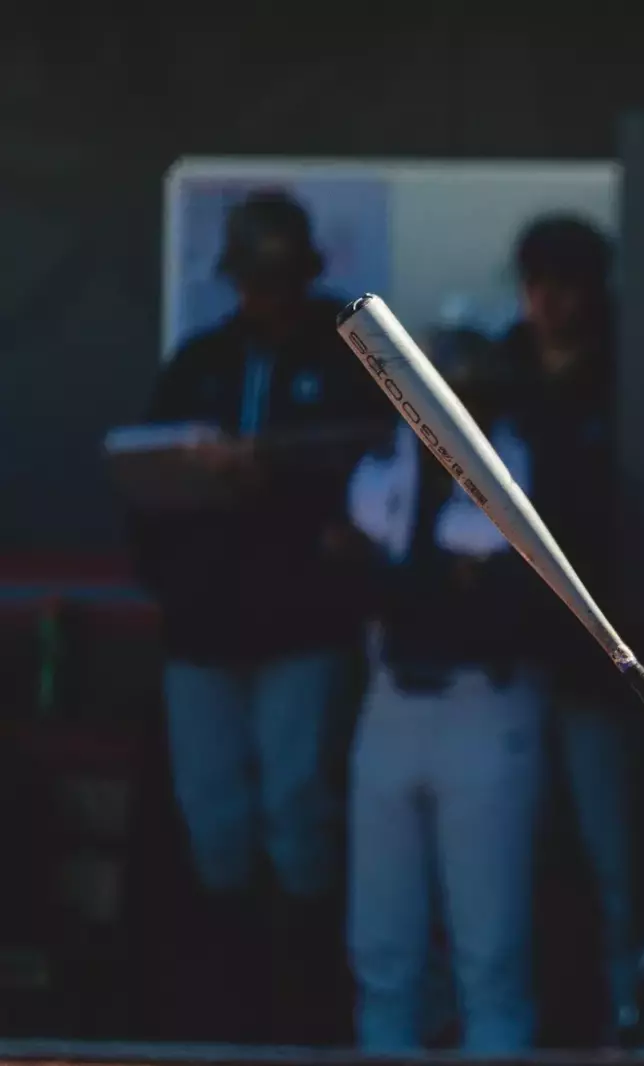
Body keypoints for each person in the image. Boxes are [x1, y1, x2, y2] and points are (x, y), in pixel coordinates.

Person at [125, 189, 388, 1043]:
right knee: (214, 820)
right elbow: (143, 482)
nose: (262, 294)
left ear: (301, 274)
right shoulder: (202, 358)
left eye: (276, 277)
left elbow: (371, 464)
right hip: (201, 633)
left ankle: (302, 1013)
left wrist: (266, 477)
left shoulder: (342, 351)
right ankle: (223, 1012)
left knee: (298, 811)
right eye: (251, 278)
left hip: (301, 630)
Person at [343, 319, 546, 1054]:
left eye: (464, 395)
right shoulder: (378, 471)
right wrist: (426, 589)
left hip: (483, 711)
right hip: (391, 705)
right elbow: (354, 586)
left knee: (488, 954)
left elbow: (500, 611)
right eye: (428, 396)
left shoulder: (522, 468)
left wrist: (422, 590)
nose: (443, 413)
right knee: (382, 949)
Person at [500, 215, 644, 1045]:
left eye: (564, 283)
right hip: (497, 663)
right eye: (535, 284)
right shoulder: (496, 373)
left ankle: (623, 1022)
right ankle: (511, 1024)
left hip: (596, 661)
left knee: (609, 860)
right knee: (501, 864)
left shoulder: (628, 372)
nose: (547, 303)